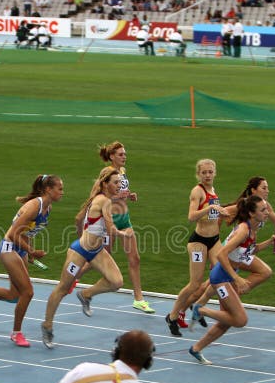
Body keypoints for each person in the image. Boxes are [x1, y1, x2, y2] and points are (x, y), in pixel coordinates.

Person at [0, 175, 64, 347]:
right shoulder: (34, 207)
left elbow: (27, 232)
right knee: (28, 292)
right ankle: (16, 333)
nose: (62, 192)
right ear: (48, 189)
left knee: (14, 296)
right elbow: (12, 234)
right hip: (9, 248)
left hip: (20, 249)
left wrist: (29, 253)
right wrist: (31, 250)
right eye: (59, 189)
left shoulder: (48, 208)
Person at [41, 168, 132, 349]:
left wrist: (125, 196)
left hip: (96, 251)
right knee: (62, 288)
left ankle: (85, 294)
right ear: (106, 184)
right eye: (115, 183)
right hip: (80, 252)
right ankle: (47, 325)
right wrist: (124, 234)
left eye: (119, 182)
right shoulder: (103, 201)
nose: (118, 185)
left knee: (117, 282)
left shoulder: (104, 199)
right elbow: (111, 228)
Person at [187, 176, 275, 325]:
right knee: (210, 284)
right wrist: (214, 240)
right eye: (264, 188)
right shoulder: (244, 208)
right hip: (231, 253)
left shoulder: (264, 208)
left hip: (243, 251)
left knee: (213, 285)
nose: (267, 191)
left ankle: (200, 305)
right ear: (254, 190)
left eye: (267, 188)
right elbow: (221, 214)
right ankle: (190, 306)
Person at [187, 195, 269, 365]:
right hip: (221, 278)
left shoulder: (254, 229)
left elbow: (248, 251)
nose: (267, 212)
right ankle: (200, 310)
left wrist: (270, 242)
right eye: (263, 210)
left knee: (226, 321)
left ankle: (196, 349)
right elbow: (221, 254)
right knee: (240, 320)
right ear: (252, 214)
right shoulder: (243, 230)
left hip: (227, 276)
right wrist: (237, 278)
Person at [164, 159, 229, 336]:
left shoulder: (213, 191)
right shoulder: (197, 191)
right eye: (204, 172)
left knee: (220, 275)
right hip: (199, 243)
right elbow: (191, 216)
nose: (207, 175)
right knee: (194, 283)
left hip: (214, 240)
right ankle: (172, 316)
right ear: (199, 174)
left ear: (215, 173)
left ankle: (197, 305)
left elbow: (214, 214)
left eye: (210, 172)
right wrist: (210, 209)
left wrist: (222, 214)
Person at [100, 142, 155, 313]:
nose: (124, 157)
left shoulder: (122, 172)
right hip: (111, 219)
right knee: (102, 257)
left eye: (125, 154)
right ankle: (74, 275)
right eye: (121, 154)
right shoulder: (107, 173)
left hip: (125, 219)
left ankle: (138, 299)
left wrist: (128, 195)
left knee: (135, 258)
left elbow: (119, 192)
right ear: (112, 156)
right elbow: (101, 197)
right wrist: (118, 196)